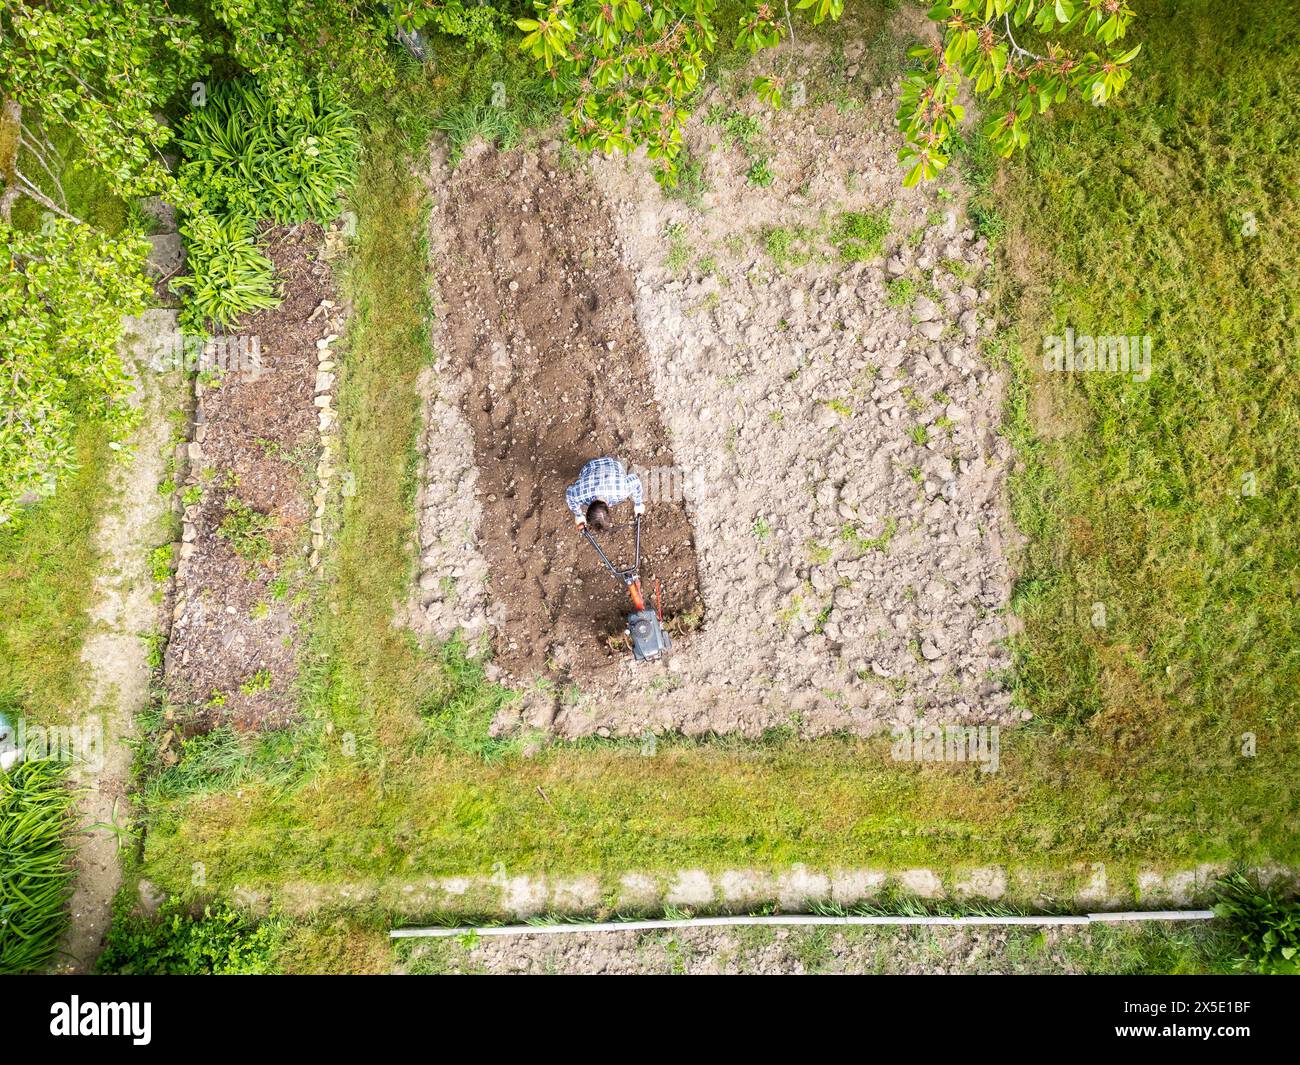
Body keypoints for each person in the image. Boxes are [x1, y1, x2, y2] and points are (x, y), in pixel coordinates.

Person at [566, 456, 644, 532]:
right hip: (596, 465)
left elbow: (636, 481)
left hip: (603, 464)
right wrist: (578, 515)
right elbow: (569, 492)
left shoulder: (621, 491)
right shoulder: (579, 494)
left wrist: (638, 504)